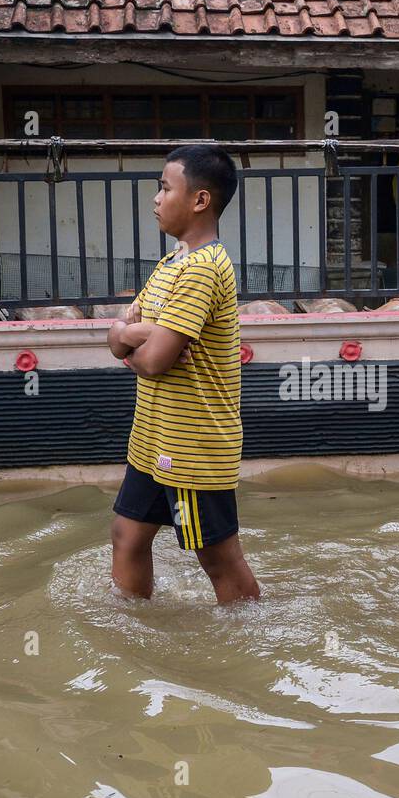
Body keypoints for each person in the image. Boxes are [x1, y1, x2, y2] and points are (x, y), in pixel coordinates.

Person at [106, 144, 259, 604]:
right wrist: (133, 333)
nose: (155, 198)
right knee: (126, 537)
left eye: (164, 187)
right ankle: (135, 635)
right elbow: (120, 339)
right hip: (152, 440)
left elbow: (153, 361)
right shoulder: (170, 264)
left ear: (200, 200)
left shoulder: (204, 268)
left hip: (191, 447)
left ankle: (248, 642)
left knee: (217, 558)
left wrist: (133, 337)